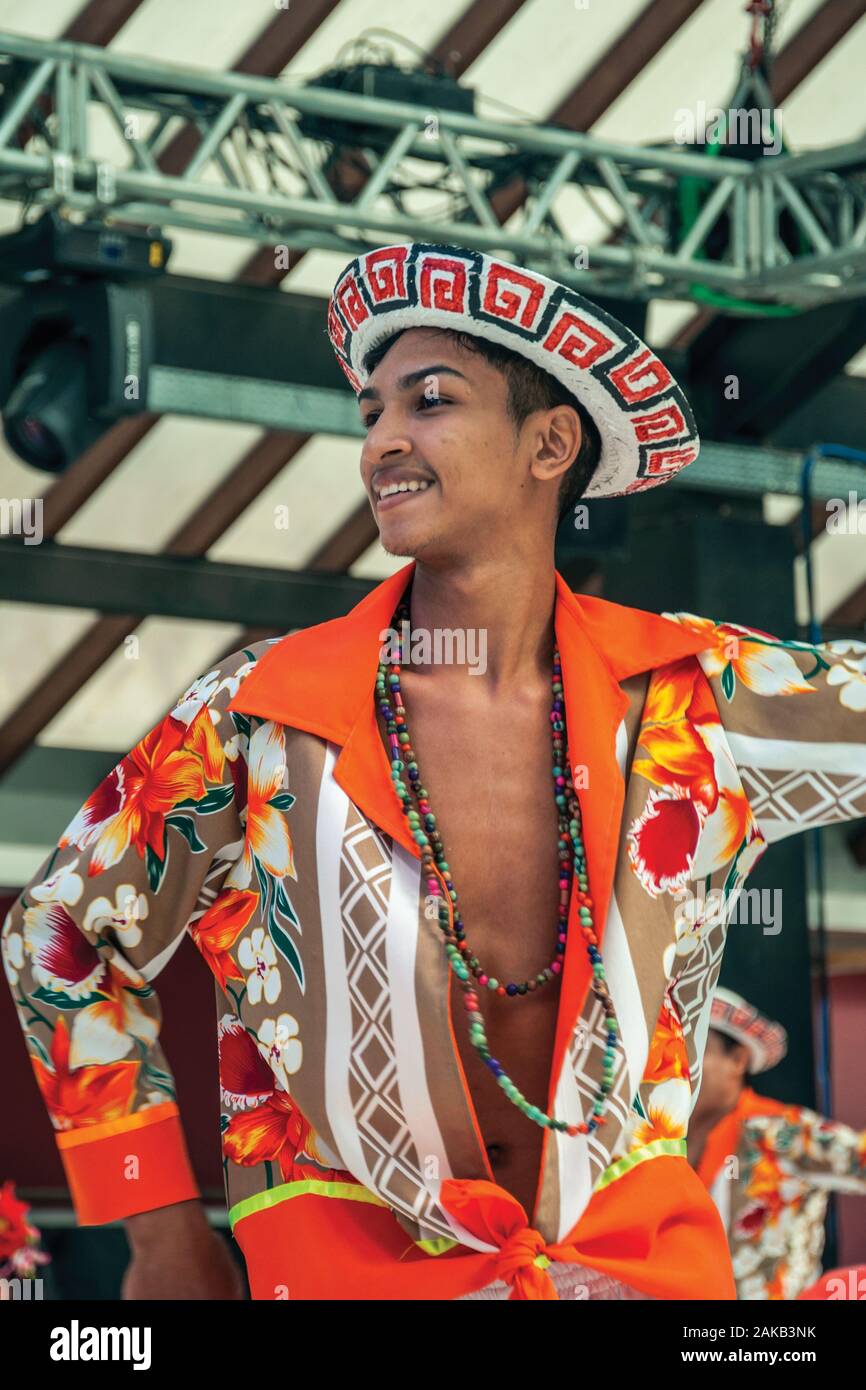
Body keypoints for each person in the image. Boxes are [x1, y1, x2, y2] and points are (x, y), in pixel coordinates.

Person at [2, 242, 865, 1301]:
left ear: (548, 443)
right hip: (345, 1270)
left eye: (429, 401)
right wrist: (160, 1232)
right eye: (371, 411)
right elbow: (60, 934)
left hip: (634, 1268)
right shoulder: (259, 712)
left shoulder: (696, 691)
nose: (381, 443)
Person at [690, 988, 866, 1300]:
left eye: (695, 1050)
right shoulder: (657, 1139)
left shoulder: (782, 1132)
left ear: (738, 1059)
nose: (680, 1065)